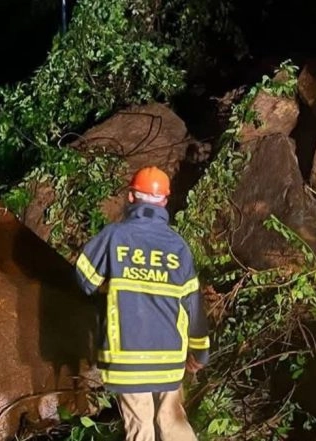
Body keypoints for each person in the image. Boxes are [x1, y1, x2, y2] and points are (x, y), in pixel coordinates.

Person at [74, 166, 209, 441]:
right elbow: (193, 305)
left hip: (127, 356)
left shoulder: (114, 236)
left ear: (131, 197)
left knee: (141, 427)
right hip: (170, 358)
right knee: (172, 419)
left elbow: (84, 278)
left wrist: (110, 282)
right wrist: (200, 352)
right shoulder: (178, 246)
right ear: (165, 202)